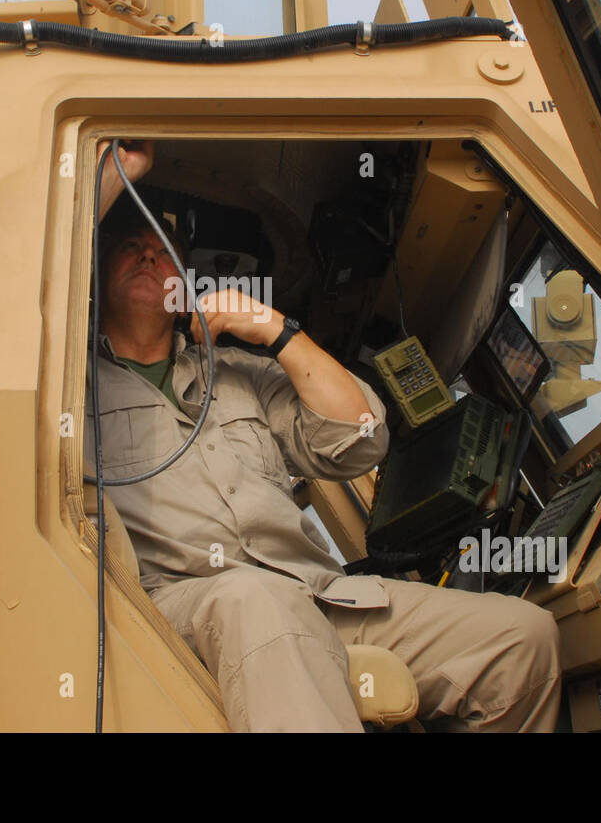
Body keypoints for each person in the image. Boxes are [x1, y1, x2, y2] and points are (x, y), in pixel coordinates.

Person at [87, 140, 562, 732]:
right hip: (183, 608)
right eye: (129, 247)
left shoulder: (240, 376)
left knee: (522, 639)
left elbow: (362, 437)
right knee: (257, 601)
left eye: (163, 252)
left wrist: (275, 331)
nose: (147, 256)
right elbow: (14, 287)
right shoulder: (66, 385)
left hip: (318, 594)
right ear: (97, 269)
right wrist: (112, 179)